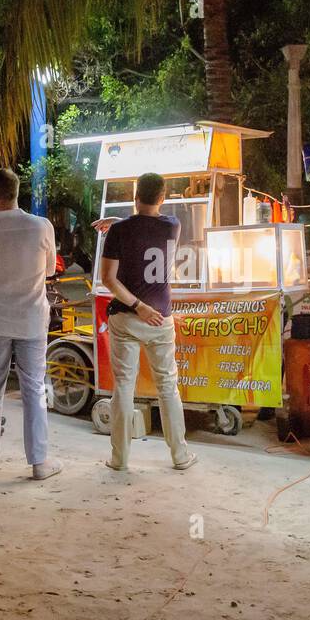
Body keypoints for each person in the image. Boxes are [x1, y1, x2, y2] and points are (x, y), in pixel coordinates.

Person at [96, 172, 197, 472]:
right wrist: (120, 222)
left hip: (128, 317)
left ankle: (119, 459)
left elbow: (108, 280)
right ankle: (180, 456)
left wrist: (137, 306)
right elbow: (146, 226)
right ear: (163, 198)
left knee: (124, 387)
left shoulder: (119, 232)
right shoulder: (173, 226)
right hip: (161, 318)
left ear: (134, 195)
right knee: (168, 386)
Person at [0, 169, 61, 479]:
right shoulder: (40, 227)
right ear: (15, 192)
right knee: (33, 388)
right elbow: (49, 271)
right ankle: (39, 463)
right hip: (32, 321)